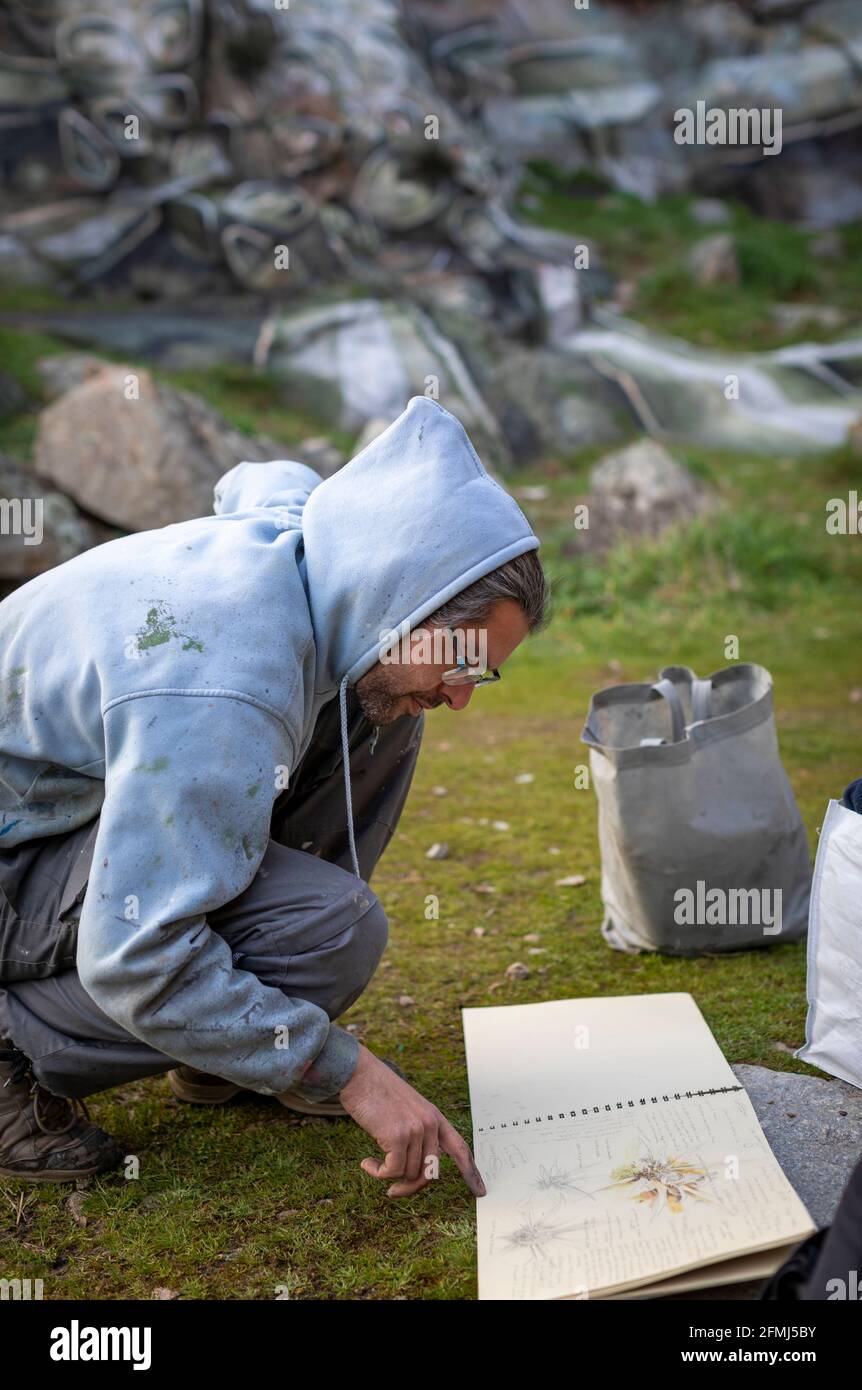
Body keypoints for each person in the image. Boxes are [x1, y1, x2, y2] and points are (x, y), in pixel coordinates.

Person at [0, 396, 547, 1199]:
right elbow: (133, 957)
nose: (466, 696)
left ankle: (218, 1047)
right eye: (464, 661)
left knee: (390, 704)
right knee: (327, 932)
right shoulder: (223, 685)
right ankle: (12, 1048)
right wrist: (347, 1072)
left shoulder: (309, 544)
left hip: (49, 819)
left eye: (482, 672)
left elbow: (257, 480)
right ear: (396, 593)